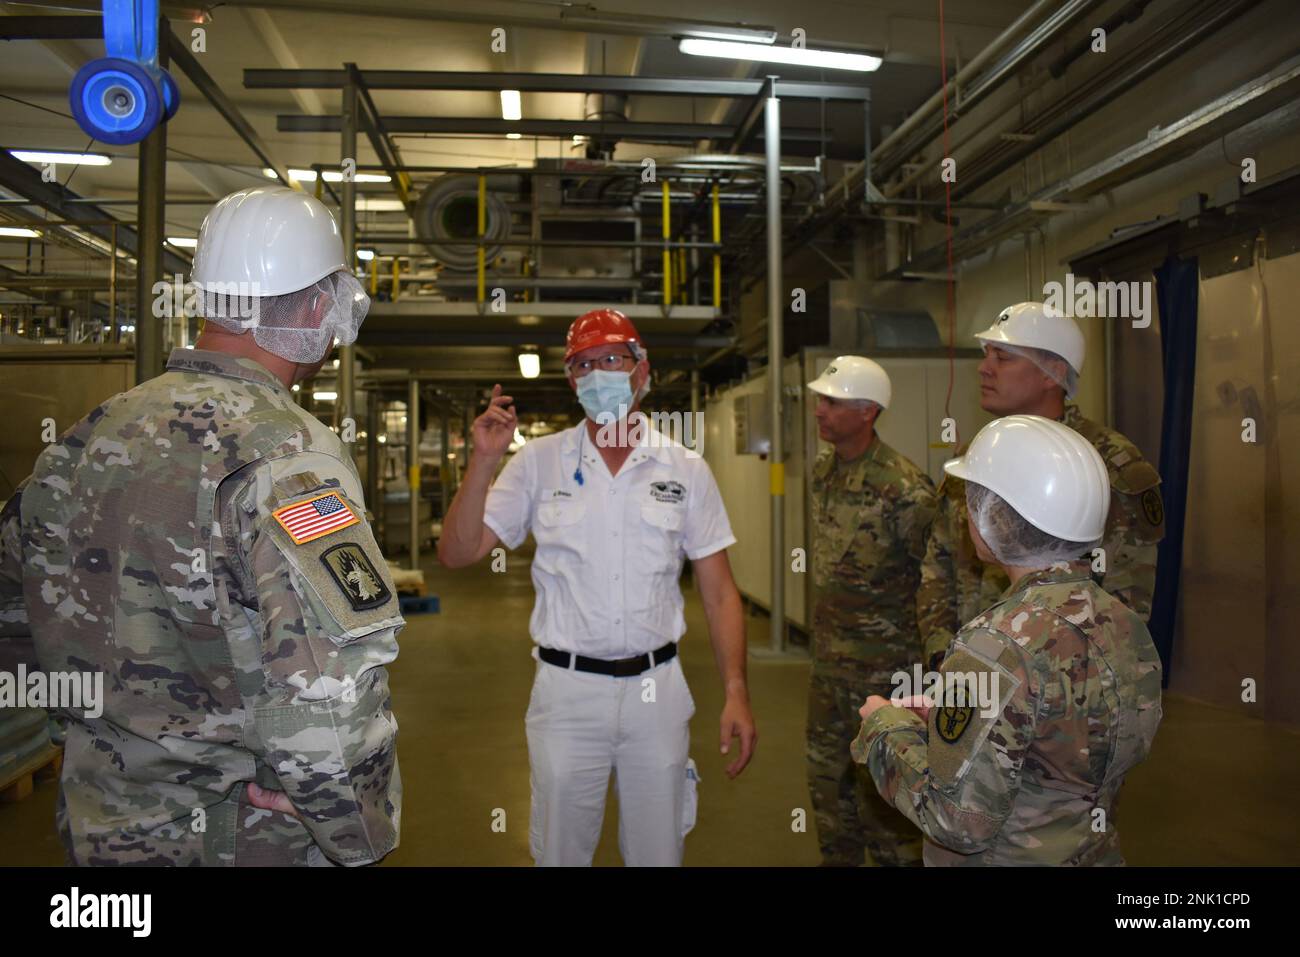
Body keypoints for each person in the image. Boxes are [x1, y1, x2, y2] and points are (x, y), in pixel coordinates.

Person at [0, 186, 403, 866]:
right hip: (233, 836)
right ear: (311, 306)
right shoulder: (287, 455)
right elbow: (326, 691)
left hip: (103, 829)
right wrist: (358, 828)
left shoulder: (87, 438)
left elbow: (15, 623)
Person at [438, 308, 756, 866]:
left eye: (610, 358)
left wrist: (735, 689)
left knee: (659, 855)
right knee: (560, 855)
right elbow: (458, 552)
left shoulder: (683, 468)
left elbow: (721, 593)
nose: (597, 372)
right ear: (571, 382)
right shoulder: (538, 464)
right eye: (583, 364)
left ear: (641, 371)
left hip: (656, 691)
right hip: (567, 693)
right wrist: (484, 462)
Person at [854, 414, 1163, 866]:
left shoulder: (995, 644)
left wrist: (884, 726)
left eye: (974, 500)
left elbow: (958, 819)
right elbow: (1057, 740)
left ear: (996, 515)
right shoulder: (1121, 622)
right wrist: (949, 719)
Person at [916, 302, 1164, 671]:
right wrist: (943, 656)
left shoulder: (1109, 463)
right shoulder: (976, 456)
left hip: (1059, 685)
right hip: (968, 668)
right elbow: (940, 563)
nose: (984, 369)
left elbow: (1126, 601)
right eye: (986, 356)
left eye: (1003, 357)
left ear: (1054, 372)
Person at [804, 356, 937, 866]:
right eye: (820, 400)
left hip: (886, 677)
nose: (819, 410)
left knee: (884, 804)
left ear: (866, 411)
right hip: (828, 671)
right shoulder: (824, 471)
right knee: (827, 793)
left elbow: (935, 580)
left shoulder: (905, 490)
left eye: (831, 402)